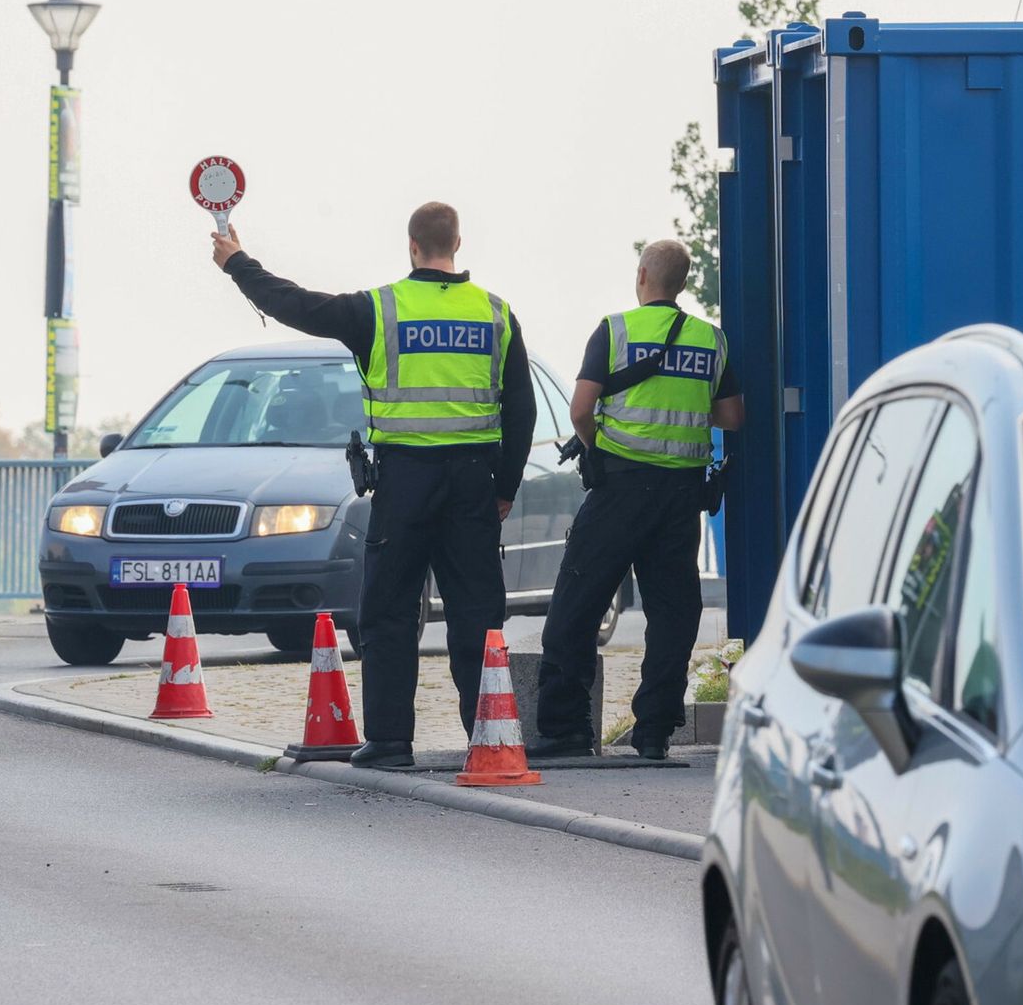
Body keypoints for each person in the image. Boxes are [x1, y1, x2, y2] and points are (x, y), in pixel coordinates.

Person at [212, 202, 532, 768]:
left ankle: (388, 742)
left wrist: (239, 263)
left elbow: (294, 304)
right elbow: (522, 410)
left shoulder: (379, 310)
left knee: (388, 611)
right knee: (478, 615)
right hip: (472, 483)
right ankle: (490, 738)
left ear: (412, 247)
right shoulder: (496, 314)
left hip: (405, 483)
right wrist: (503, 485)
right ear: (457, 244)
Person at [535, 240, 744, 760]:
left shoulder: (615, 331)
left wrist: (596, 449)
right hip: (679, 497)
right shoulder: (710, 340)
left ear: (643, 274)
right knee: (674, 613)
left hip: (619, 489)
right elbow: (733, 417)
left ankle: (566, 730)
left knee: (577, 604)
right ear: (683, 282)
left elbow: (581, 410)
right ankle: (653, 731)